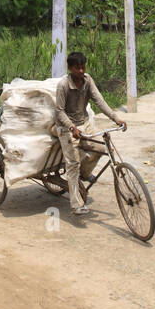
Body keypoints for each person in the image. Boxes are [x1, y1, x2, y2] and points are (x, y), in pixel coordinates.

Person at [53, 52, 125, 216]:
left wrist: (116, 118)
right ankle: (76, 205)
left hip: (84, 123)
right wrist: (72, 128)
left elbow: (99, 101)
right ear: (70, 68)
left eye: (83, 67)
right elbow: (59, 111)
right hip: (66, 127)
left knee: (101, 149)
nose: (80, 71)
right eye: (77, 68)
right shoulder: (63, 85)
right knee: (73, 165)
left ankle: (85, 174)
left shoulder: (88, 80)